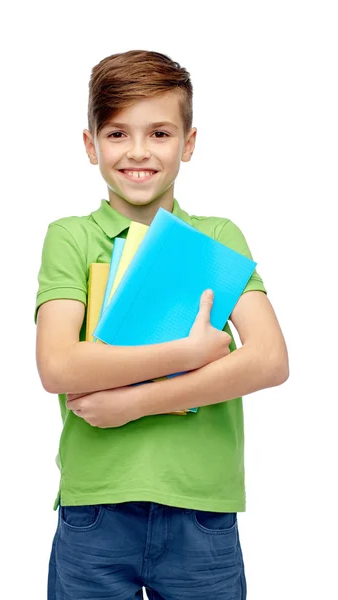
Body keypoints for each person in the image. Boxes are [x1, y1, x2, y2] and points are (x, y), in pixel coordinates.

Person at [34, 49, 289, 600]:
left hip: (201, 511)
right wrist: (192, 352)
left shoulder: (218, 236)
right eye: (118, 134)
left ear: (189, 143)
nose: (139, 152)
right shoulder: (72, 237)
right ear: (90, 144)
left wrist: (130, 402)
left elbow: (269, 359)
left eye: (160, 133)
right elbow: (57, 365)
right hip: (95, 508)